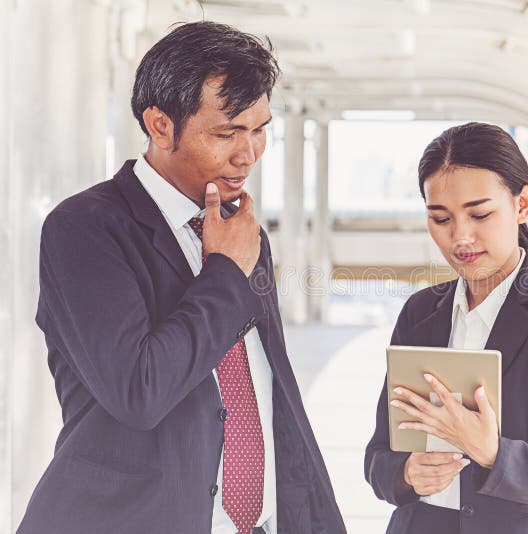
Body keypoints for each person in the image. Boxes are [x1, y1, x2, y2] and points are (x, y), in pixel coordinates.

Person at [18, 21, 345, 534]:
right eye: (226, 133)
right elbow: (139, 391)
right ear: (160, 125)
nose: (248, 154)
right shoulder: (86, 228)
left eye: (259, 129)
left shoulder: (239, 228)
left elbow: (272, 390)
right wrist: (224, 273)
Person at [364, 122, 528, 533]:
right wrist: (406, 473)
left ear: (523, 204)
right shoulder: (419, 312)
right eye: (440, 218)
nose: (460, 236)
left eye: (480, 214)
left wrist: (494, 453)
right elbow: (378, 456)